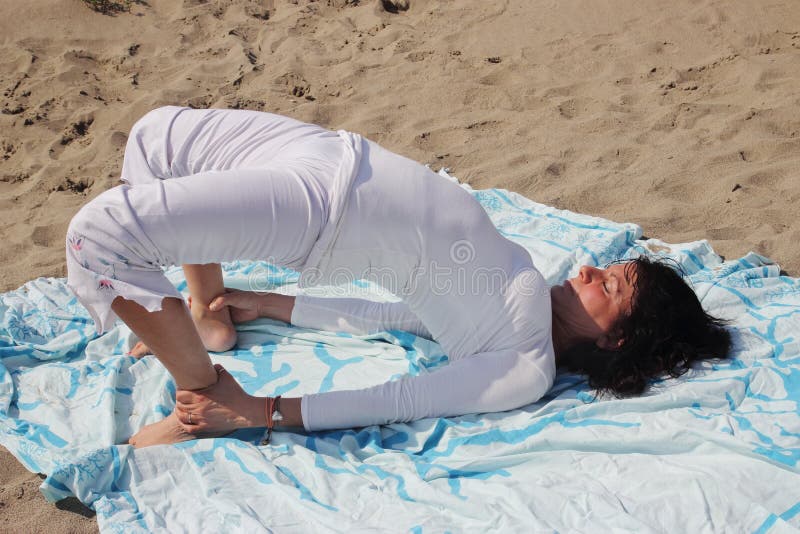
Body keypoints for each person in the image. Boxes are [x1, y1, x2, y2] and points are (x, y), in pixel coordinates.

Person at [65, 106, 731, 448]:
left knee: (99, 234)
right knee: (154, 137)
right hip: (332, 154)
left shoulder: (524, 367)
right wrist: (266, 303)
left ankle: (198, 398)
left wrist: (256, 412)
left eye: (608, 286)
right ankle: (206, 308)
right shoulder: (518, 302)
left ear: (616, 339)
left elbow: (399, 399)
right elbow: (400, 318)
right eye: (605, 269)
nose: (587, 269)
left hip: (323, 213)